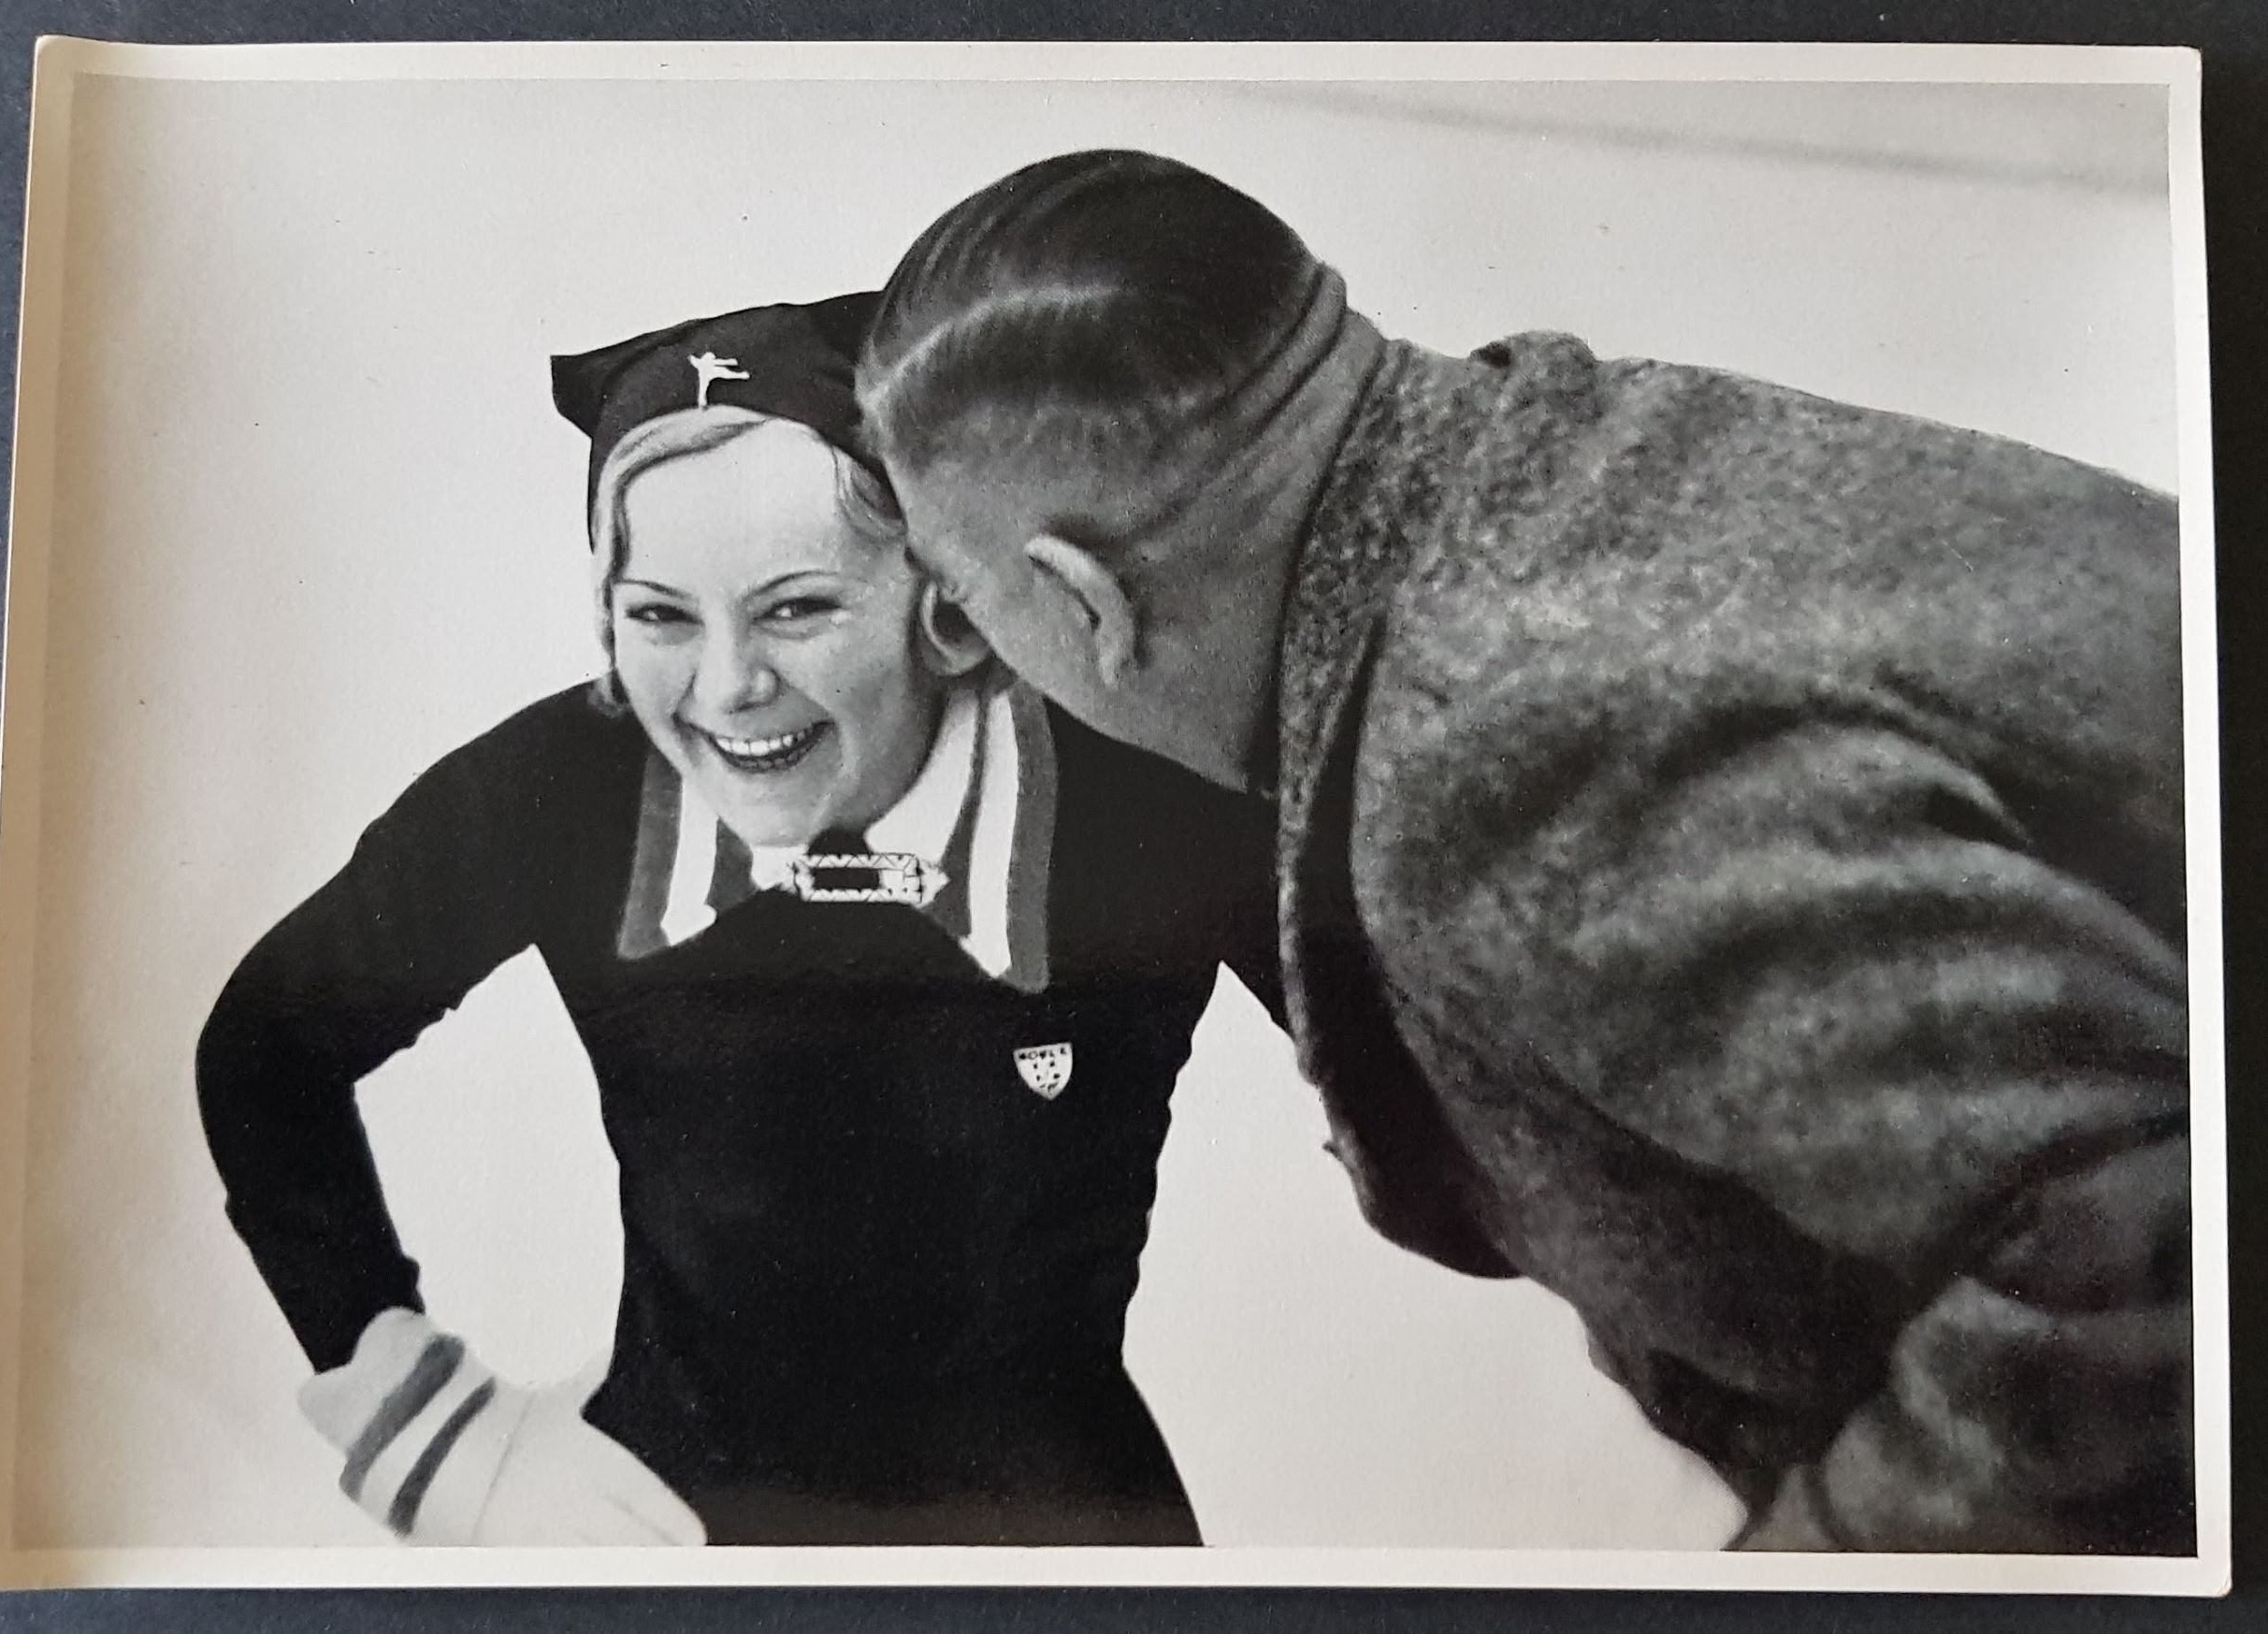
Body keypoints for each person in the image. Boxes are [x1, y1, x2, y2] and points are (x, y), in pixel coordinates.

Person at [853, 150, 2193, 1554]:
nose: (961, 657)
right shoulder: (1564, 445)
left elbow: (2132, 1234)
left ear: (1083, 602)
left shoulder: (1490, 755)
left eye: (960, 605)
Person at [195, 294, 1279, 1547]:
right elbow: (268, 1045)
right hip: (667, 1532)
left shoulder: (1143, 788)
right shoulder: (567, 789)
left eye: (796, 609)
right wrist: (442, 1446)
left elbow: (1441, 1048)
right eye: (661, 615)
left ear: (943, 605)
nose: (725, 689)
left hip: (1068, 1545)